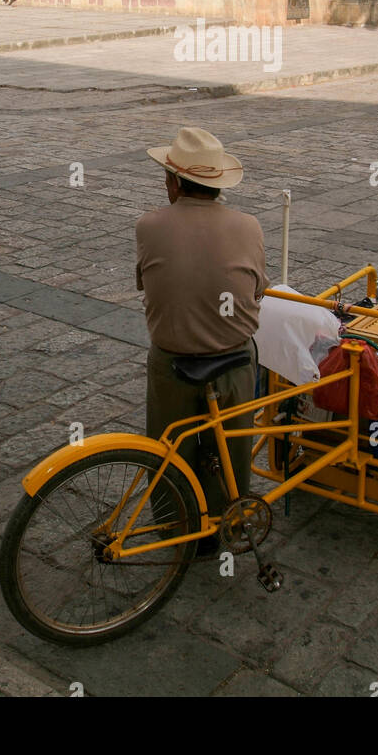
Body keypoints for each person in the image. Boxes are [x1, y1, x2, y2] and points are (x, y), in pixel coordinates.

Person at [136, 128, 269, 531]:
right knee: (231, 453)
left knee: (168, 451)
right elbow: (258, 289)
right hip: (232, 363)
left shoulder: (149, 226)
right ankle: (224, 521)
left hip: (172, 362)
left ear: (175, 183)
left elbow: (149, 283)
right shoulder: (249, 226)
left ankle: (174, 529)